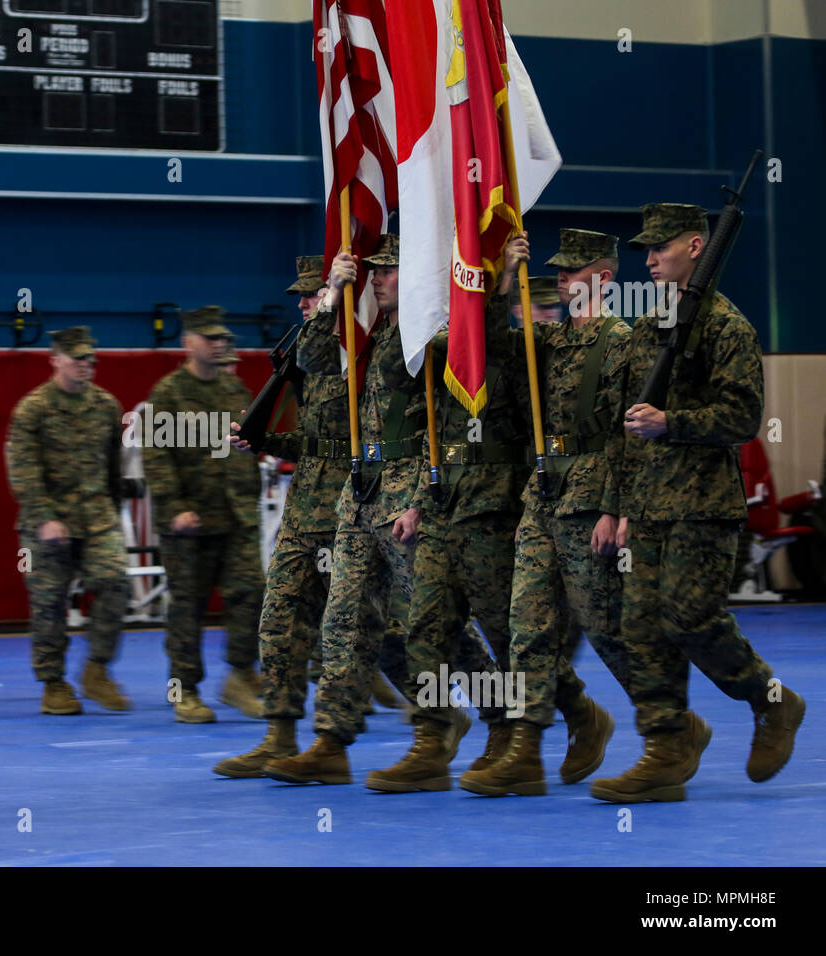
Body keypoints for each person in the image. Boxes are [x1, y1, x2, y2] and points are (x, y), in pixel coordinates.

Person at [262, 236, 497, 786]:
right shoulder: (368, 331)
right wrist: (332, 294)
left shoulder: (433, 337)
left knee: (435, 626)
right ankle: (332, 741)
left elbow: (455, 426)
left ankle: (498, 717)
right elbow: (312, 359)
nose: (380, 280)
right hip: (362, 491)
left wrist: (420, 498)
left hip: (409, 498)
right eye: (376, 272)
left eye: (390, 272)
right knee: (344, 621)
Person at [591, 204, 806, 802]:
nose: (651, 258)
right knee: (641, 629)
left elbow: (742, 417)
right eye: (646, 250)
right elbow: (624, 425)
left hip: (703, 504)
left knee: (689, 617)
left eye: (660, 247)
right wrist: (613, 505)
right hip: (649, 504)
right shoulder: (650, 326)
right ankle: (665, 750)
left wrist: (674, 422)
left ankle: (773, 701)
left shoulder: (725, 326)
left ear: (695, 245)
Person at [459, 229, 635, 796]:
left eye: (573, 271)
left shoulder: (624, 343)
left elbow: (631, 439)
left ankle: (672, 725)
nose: (560, 278)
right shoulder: (550, 340)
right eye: (557, 270)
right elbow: (483, 346)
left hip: (594, 500)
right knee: (526, 630)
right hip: (543, 496)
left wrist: (617, 508)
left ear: (603, 280)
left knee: (611, 632)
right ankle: (527, 753)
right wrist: (503, 280)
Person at [214, 256, 356, 774]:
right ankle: (280, 734)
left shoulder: (363, 351)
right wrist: (266, 440)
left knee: (382, 632)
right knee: (280, 619)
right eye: (300, 295)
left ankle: (441, 720)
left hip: (352, 511)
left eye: (312, 293)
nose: (301, 303)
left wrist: (334, 301)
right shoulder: (310, 362)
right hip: (305, 508)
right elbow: (317, 440)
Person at [143, 307, 265, 722]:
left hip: (235, 517)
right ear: (188, 343)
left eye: (222, 338)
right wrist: (175, 508)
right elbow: (156, 457)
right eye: (209, 338)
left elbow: (249, 445)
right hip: (189, 524)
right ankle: (184, 690)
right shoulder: (168, 393)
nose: (219, 344)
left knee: (251, 593)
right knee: (187, 609)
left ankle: (241, 676)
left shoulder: (236, 391)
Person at [5, 327, 132, 715]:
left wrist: (114, 509)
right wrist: (44, 518)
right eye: (77, 358)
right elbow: (22, 469)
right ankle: (53, 683)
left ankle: (96, 670)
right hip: (48, 523)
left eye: (90, 359)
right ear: (55, 359)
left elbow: (113, 465)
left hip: (96, 519)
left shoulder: (107, 406)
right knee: (48, 604)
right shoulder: (33, 408)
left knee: (115, 583)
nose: (86, 365)